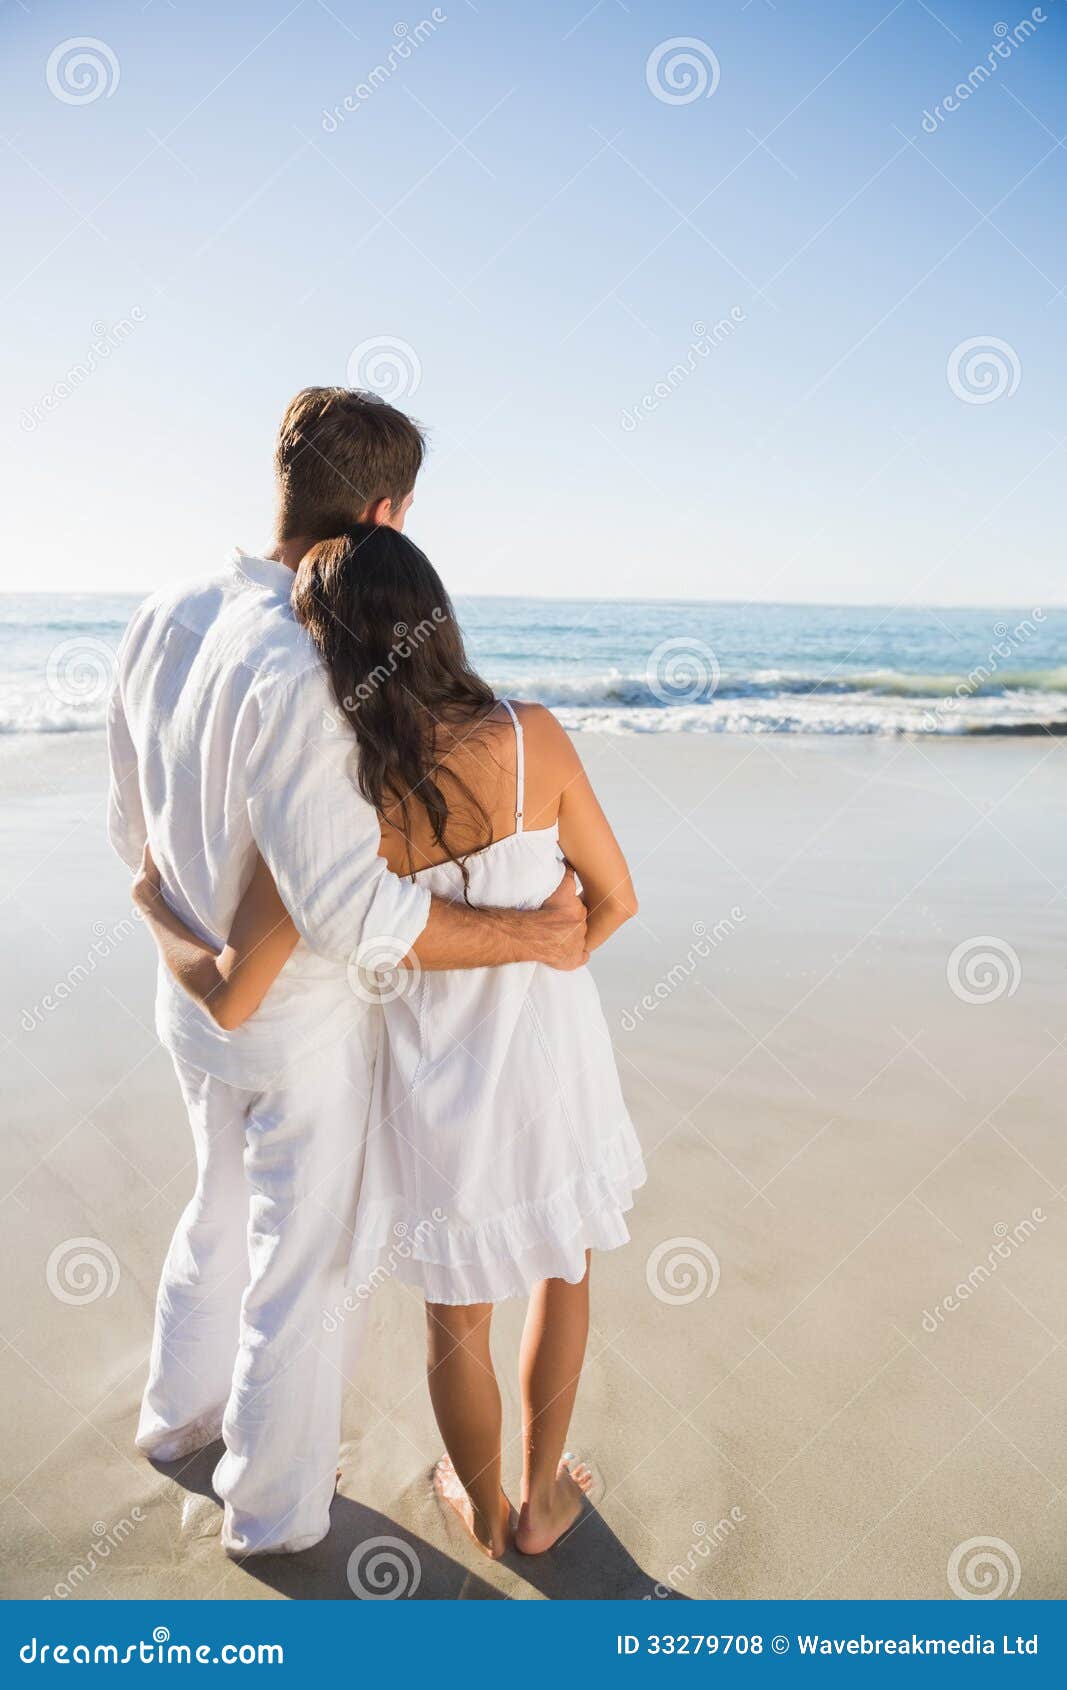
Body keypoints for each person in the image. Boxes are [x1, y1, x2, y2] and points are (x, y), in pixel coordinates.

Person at [106, 389, 587, 1558]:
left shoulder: (164, 608)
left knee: (213, 1208)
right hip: (295, 1024)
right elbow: (349, 907)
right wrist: (527, 936)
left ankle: (178, 1421)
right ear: (381, 514)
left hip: (193, 994)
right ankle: (273, 1514)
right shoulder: (317, 658)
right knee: (304, 1265)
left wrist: (176, 929)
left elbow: (132, 824)